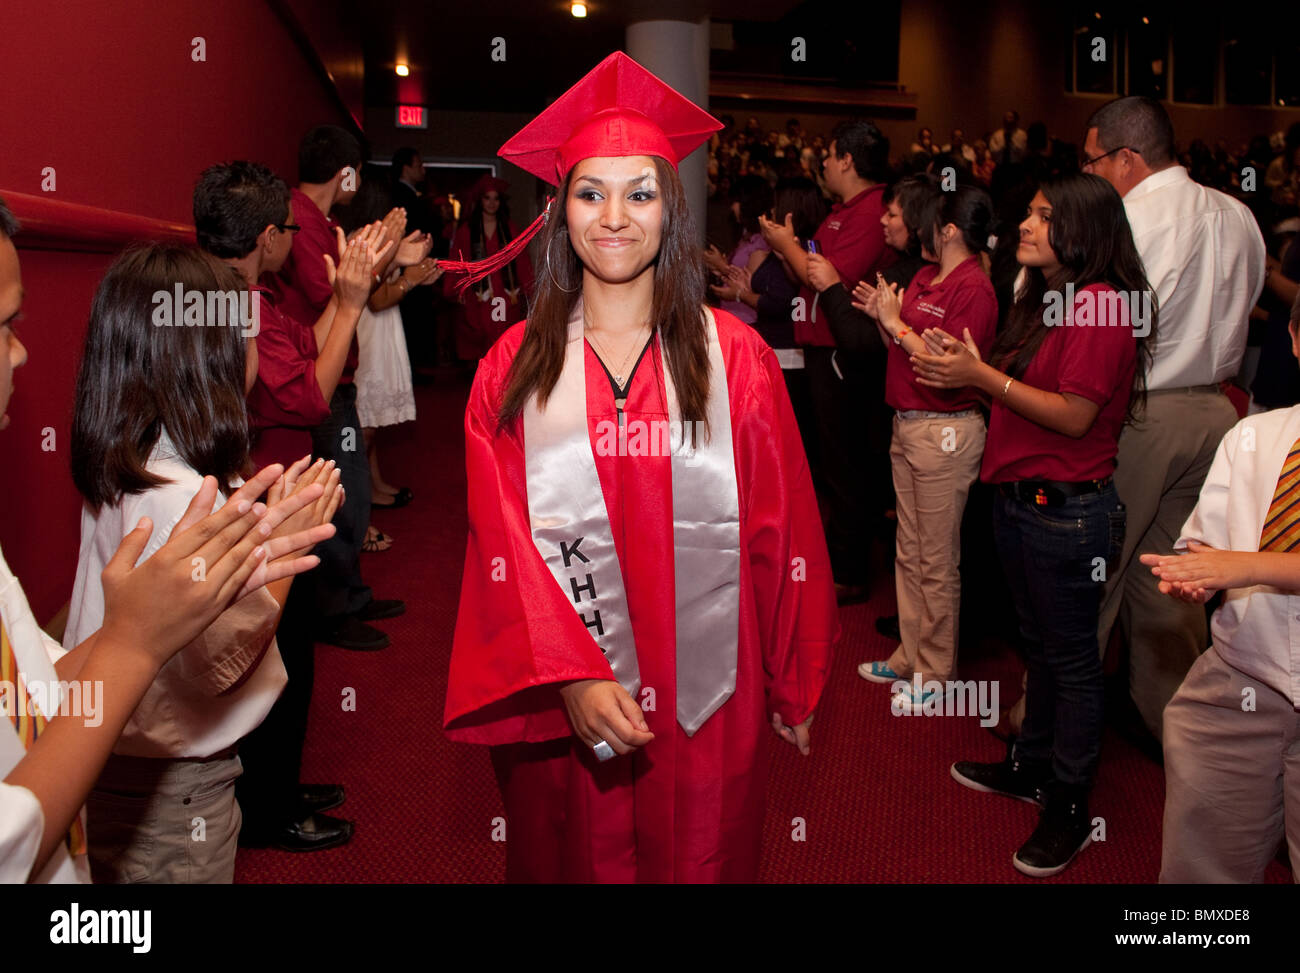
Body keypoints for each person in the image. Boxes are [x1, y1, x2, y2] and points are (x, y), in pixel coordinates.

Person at [441, 51, 838, 883]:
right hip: (563, 696)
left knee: (702, 851)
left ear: (671, 211)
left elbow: (784, 521)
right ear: (560, 211)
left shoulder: (736, 358)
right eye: (590, 192)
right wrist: (572, 677)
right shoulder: (514, 366)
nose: (613, 216)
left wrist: (796, 673)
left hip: (707, 693)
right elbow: (499, 542)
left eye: (640, 192)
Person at [0, 197, 331, 883]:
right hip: (175, 787)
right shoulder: (187, 498)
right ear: (206, 358)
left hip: (103, 751)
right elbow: (219, 667)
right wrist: (282, 554)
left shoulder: (131, 456)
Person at [915, 172, 1153, 877]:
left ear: (1081, 231)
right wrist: (957, 368)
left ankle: (1071, 806)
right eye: (1029, 212)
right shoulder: (1051, 299)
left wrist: (981, 378)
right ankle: (1032, 765)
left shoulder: (1106, 306)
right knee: (1043, 652)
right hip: (1023, 503)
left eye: (1044, 216)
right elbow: (1020, 395)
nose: (1024, 222)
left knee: (1074, 662)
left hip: (1069, 514)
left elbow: (1075, 415)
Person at [193, 160, 388, 852]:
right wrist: (355, 300)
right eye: (284, 231)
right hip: (257, 508)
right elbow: (306, 396)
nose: (289, 241)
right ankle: (268, 807)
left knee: (286, 656)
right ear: (265, 237)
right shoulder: (231, 303)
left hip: (273, 500)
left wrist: (345, 294)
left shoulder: (245, 292)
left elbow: (303, 350)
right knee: (272, 661)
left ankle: (276, 787)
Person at [1083, 96, 1267, 743]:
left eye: (1093, 161)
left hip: (1144, 413)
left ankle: (1051, 732)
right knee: (1171, 579)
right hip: (1217, 411)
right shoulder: (1239, 214)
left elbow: (1110, 325)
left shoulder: (1130, 217)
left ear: (1127, 160)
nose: (1089, 176)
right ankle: (1177, 729)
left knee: (1093, 569)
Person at [1140, 291, 1300, 883]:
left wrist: (1248, 566)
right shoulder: (1254, 436)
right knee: (1202, 857)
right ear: (1295, 339)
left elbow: (1241, 563)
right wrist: (1195, 579)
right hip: (1241, 673)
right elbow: (1209, 546)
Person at [848, 185, 999, 710]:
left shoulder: (974, 287)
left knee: (936, 559)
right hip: (908, 422)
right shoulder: (922, 276)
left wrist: (896, 325)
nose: (921, 228)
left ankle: (937, 673)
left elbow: (949, 371)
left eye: (932, 222)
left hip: (946, 429)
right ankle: (909, 655)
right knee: (908, 551)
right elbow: (911, 342)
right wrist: (885, 319)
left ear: (950, 229)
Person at [270, 124, 419, 652]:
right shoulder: (301, 222)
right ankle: (334, 611)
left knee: (349, 493)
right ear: (347, 173)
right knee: (341, 496)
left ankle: (348, 596)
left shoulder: (318, 220)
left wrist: (383, 262)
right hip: (319, 378)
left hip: (335, 374)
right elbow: (332, 295)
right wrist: (383, 263)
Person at [759, 119, 897, 604]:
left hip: (844, 352)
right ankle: (840, 560)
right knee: (831, 463)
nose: (823, 163)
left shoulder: (872, 210)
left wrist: (787, 248)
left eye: (830, 154)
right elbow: (813, 265)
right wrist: (793, 248)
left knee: (846, 466)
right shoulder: (843, 210)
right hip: (821, 347)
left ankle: (850, 570)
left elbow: (824, 276)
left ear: (849, 161)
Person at [447, 174, 535, 361]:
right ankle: (483, 375)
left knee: (501, 333)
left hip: (505, 295)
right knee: (480, 335)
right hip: (478, 295)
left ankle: (501, 374)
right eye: (487, 198)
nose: (492, 203)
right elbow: (457, 258)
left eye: (496, 198)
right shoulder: (467, 230)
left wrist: (529, 288)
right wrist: (457, 289)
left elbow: (521, 259)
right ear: (480, 200)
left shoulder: (509, 228)